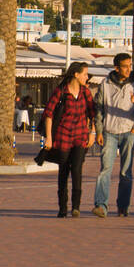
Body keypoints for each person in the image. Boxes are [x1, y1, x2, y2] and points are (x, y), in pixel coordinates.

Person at [37, 62, 97, 218]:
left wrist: (93, 133)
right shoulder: (61, 91)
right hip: (62, 136)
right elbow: (48, 114)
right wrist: (49, 138)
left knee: (77, 169)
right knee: (64, 171)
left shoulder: (86, 92)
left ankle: (76, 207)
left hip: (80, 135)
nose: (87, 77)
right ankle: (62, 208)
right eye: (85, 74)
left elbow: (92, 113)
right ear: (76, 75)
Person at [92, 52, 134, 218]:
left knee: (126, 173)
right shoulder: (105, 84)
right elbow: (99, 109)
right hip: (109, 132)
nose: (128, 69)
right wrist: (99, 131)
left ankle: (123, 206)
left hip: (128, 132)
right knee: (105, 170)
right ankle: (101, 205)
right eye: (125, 66)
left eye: (130, 66)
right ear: (116, 67)